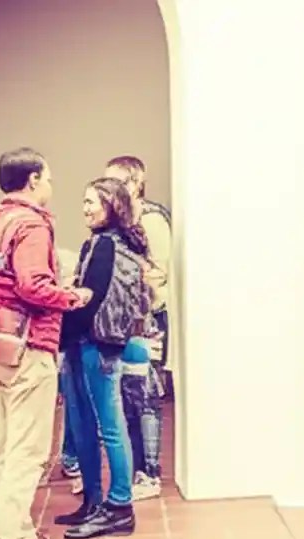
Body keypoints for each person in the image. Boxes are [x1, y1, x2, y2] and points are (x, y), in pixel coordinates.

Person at [0, 147, 92, 539]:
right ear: (33, 179)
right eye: (49, 178)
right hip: (28, 344)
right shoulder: (31, 224)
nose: (51, 186)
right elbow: (34, 285)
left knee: (0, 443)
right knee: (28, 448)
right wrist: (73, 295)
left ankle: (5, 530)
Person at [53, 177, 149, 539]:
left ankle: (119, 507)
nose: (85, 208)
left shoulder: (109, 246)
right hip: (83, 344)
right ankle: (94, 503)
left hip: (98, 346)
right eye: (84, 201)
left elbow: (89, 299)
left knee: (109, 425)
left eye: (92, 201)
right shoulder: (96, 243)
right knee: (82, 426)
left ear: (113, 204)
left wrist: (61, 316)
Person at [104, 156, 170, 499]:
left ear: (136, 182)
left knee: (145, 397)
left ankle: (150, 474)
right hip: (124, 322)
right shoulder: (120, 222)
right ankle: (134, 472)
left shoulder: (152, 220)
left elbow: (159, 271)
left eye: (116, 182)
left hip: (148, 320)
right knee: (127, 396)